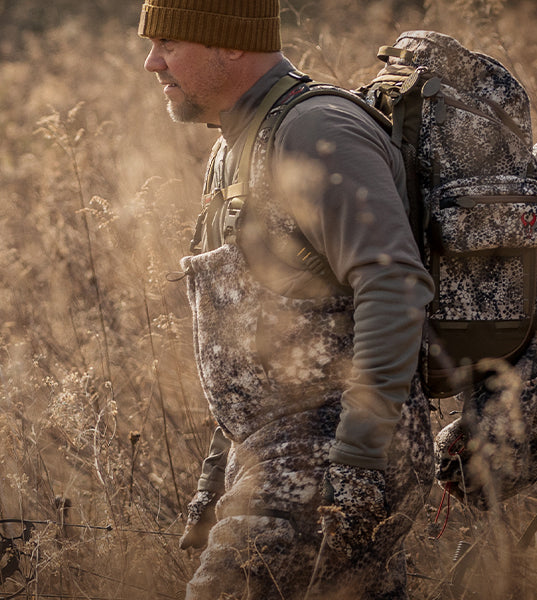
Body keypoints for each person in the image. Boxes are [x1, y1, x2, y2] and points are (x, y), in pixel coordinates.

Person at [139, 1, 438, 597]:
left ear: (230, 44)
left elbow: (392, 282)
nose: (152, 63)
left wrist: (356, 460)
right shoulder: (235, 143)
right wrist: (217, 473)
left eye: (169, 43)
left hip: (325, 455)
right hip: (284, 457)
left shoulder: (313, 130)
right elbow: (259, 338)